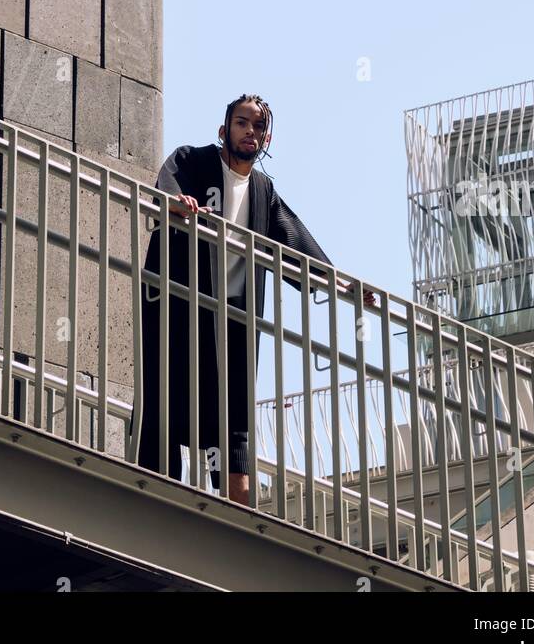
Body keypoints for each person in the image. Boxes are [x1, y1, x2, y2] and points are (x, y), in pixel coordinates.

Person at [131, 93, 376, 506]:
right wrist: (177, 205)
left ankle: (239, 524)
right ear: (224, 130)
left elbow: (297, 244)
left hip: (233, 322)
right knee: (166, 401)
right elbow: (167, 189)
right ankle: (158, 506)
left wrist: (345, 286)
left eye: (258, 126)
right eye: (242, 123)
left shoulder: (263, 191)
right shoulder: (193, 161)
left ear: (267, 139)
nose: (250, 131)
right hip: (179, 309)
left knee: (232, 423)